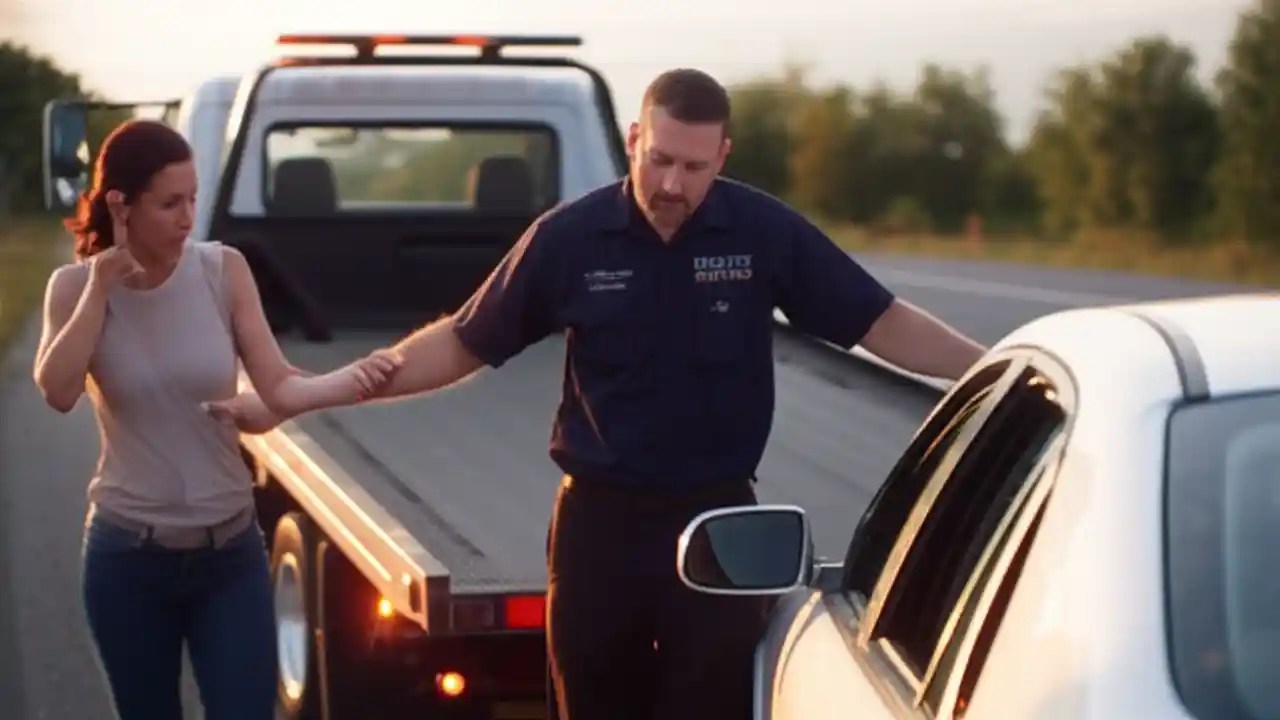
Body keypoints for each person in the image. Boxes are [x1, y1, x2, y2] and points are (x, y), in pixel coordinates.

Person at [213, 68, 988, 718]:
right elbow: (461, 342)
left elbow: (876, 320)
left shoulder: (763, 234)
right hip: (599, 529)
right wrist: (314, 392)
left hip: (717, 525)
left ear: (723, 156)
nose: (673, 184)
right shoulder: (570, 239)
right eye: (659, 161)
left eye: (694, 167)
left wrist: (989, 365)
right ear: (633, 141)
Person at [32, 119, 401, 720]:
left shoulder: (221, 269)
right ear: (121, 204)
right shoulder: (73, 288)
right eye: (170, 203)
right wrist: (100, 288)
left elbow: (277, 383)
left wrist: (345, 383)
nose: (187, 217)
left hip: (229, 555)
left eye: (193, 199)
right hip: (128, 559)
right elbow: (57, 389)